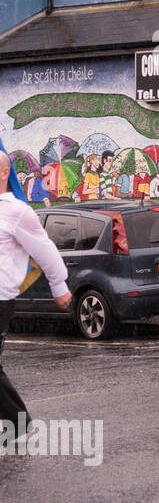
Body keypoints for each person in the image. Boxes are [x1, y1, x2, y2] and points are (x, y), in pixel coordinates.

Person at [1, 151, 72, 437]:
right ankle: (16, 422)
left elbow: (45, 250)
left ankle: (17, 423)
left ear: (3, 173)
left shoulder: (17, 211)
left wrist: (59, 286)